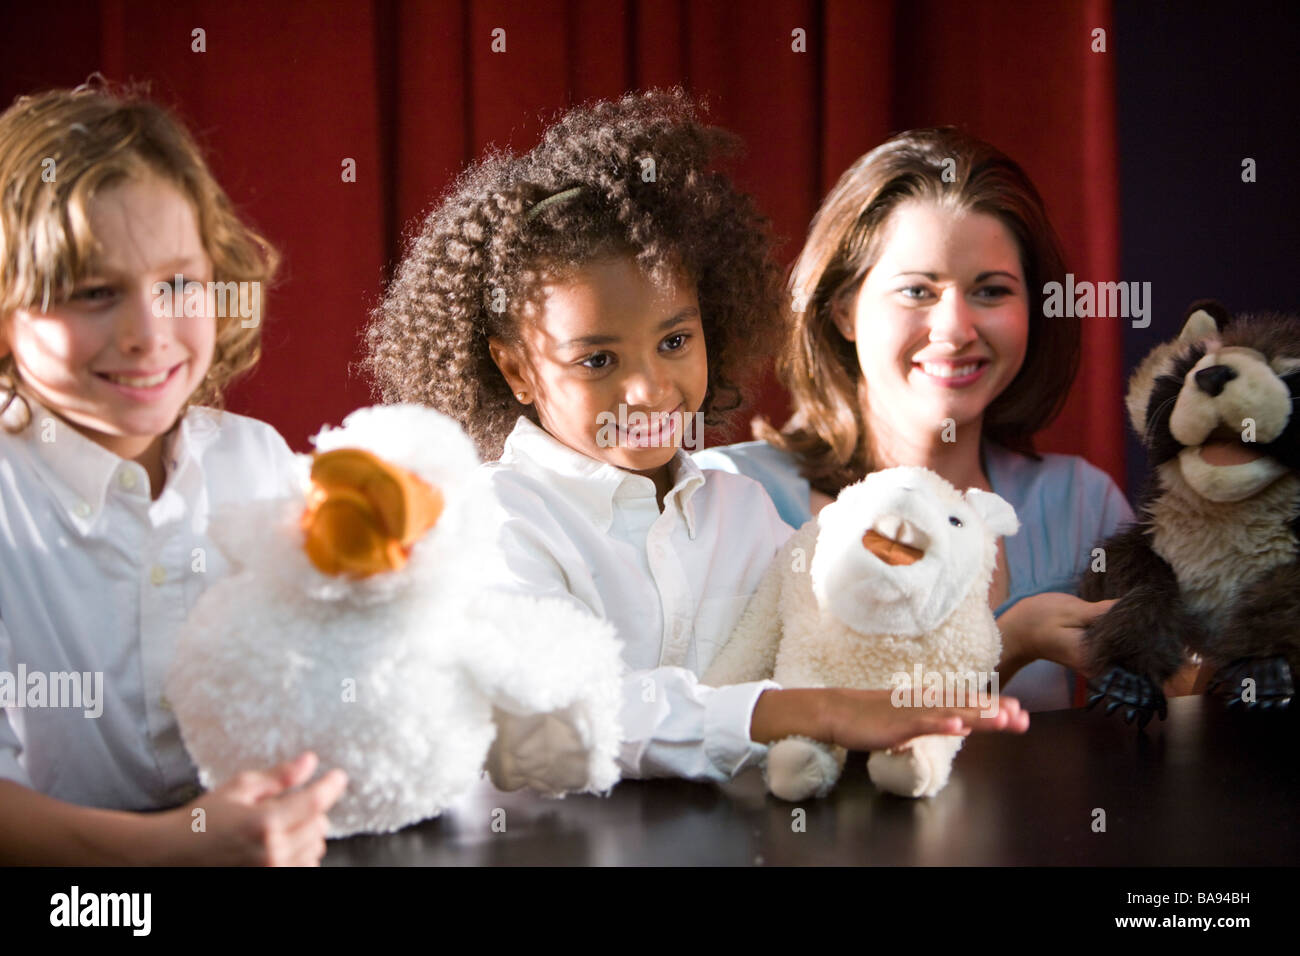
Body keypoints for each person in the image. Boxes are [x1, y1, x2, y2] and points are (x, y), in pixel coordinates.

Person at [365, 92, 1028, 787]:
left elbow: (824, 635)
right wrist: (797, 712)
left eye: (675, 340)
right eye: (598, 360)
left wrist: (934, 623)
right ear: (515, 369)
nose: (650, 389)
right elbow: (559, 716)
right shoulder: (495, 523)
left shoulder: (741, 511)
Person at [0, 82, 346, 864]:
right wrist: (170, 848)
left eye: (178, 284)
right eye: (93, 292)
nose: (148, 335)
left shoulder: (256, 459)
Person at [695, 127, 1133, 712]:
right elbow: (704, 726)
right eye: (917, 291)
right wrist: (1011, 645)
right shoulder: (731, 494)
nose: (955, 330)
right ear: (843, 309)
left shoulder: (1081, 503)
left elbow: (1167, 713)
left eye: (992, 291)